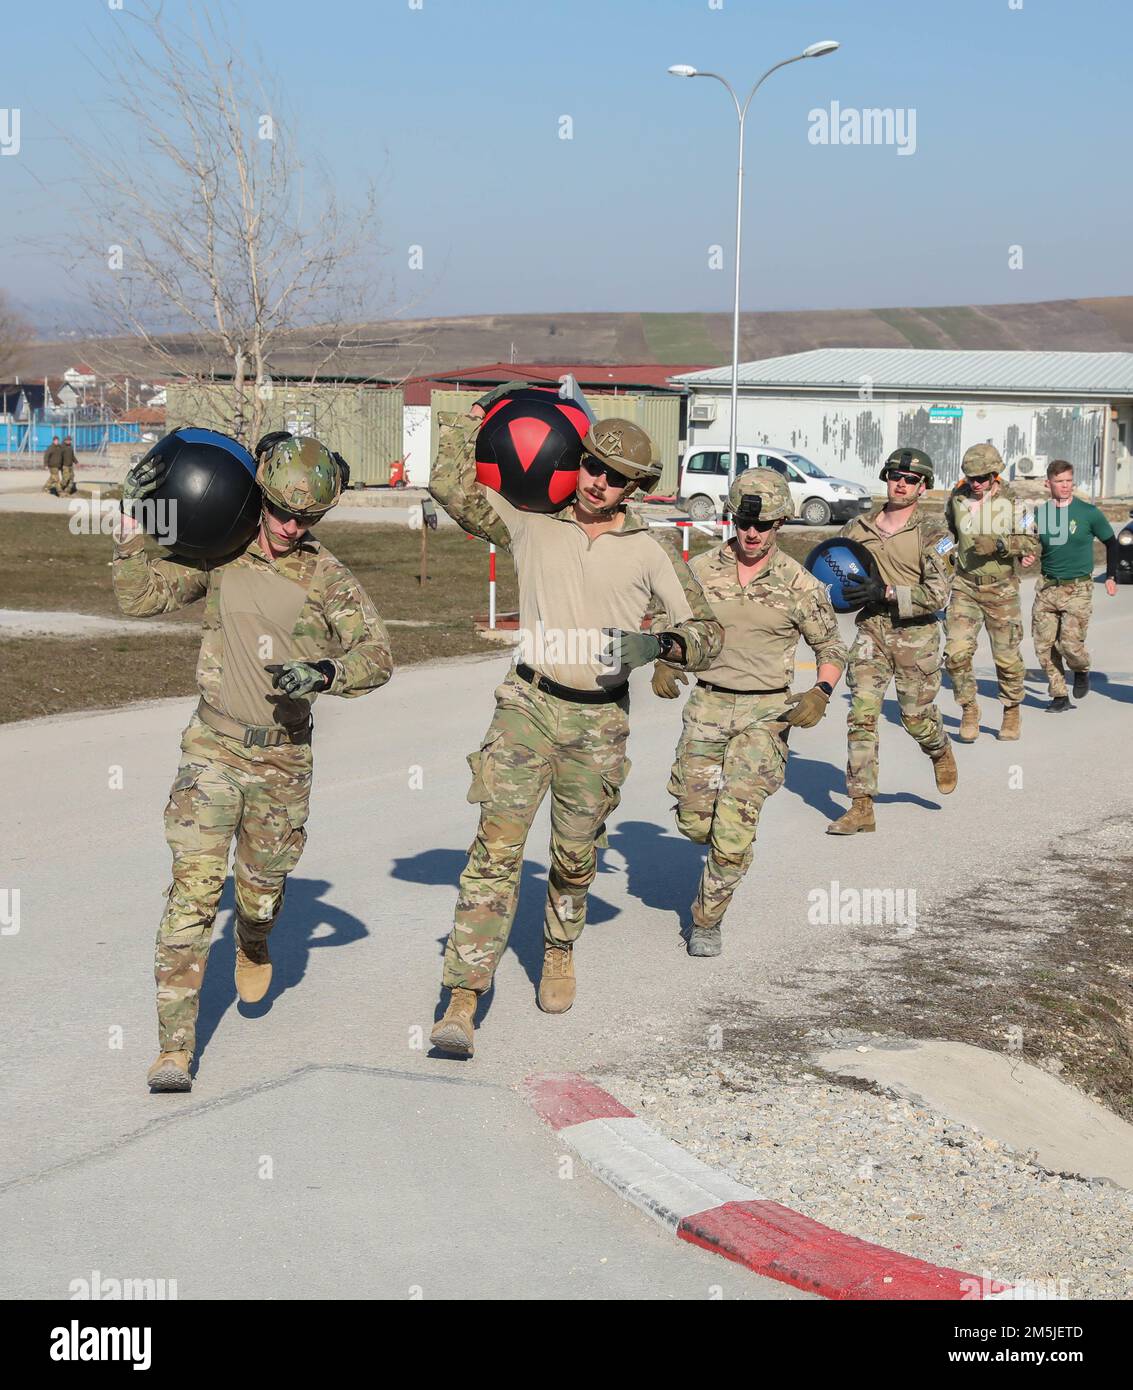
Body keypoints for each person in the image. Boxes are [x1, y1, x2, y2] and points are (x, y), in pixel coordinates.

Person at [427, 389, 723, 1057]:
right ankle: (463, 997)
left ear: (634, 488)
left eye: (614, 477)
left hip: (598, 725)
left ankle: (558, 948)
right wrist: (463, 420)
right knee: (493, 855)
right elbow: (448, 485)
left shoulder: (652, 554)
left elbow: (706, 634)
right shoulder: (530, 520)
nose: (597, 482)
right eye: (591, 465)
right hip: (526, 707)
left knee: (573, 856)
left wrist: (656, 647)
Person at [113, 433, 393, 1092]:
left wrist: (325, 671)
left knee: (260, 895)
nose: (291, 528)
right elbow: (139, 596)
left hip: (282, 764)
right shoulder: (220, 551)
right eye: (282, 511)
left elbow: (376, 655)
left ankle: (256, 938)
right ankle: (174, 1051)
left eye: (307, 519)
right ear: (258, 496)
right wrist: (129, 532)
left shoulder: (325, 576)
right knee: (191, 903)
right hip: (210, 750)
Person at [654, 468, 846, 956]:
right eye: (743, 522)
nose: (752, 533)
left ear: (780, 523)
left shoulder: (800, 584)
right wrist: (663, 657)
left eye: (763, 525)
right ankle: (717, 848)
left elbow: (831, 647)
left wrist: (820, 691)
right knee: (696, 821)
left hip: (766, 714)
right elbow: (669, 623)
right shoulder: (699, 571)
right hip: (708, 704)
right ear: (731, 519)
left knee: (734, 827)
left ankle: (707, 919)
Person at [826, 447, 958, 835]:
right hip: (872, 630)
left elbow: (938, 595)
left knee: (915, 718)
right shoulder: (857, 529)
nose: (901, 484)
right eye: (894, 476)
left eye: (911, 480)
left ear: (923, 487)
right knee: (861, 714)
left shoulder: (936, 535)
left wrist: (885, 591)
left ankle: (938, 748)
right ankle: (861, 804)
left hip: (916, 634)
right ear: (886, 478)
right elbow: (834, 574)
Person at [942, 443, 1039, 741]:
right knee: (956, 653)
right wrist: (941, 554)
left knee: (1007, 657)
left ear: (995, 474)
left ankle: (1011, 710)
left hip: (1001, 589)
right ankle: (969, 709)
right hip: (965, 586)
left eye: (983, 477)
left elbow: (1032, 543)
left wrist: (1000, 545)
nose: (977, 483)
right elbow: (947, 533)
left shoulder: (1014, 503)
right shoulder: (957, 499)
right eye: (972, 477)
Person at [1031, 459, 1119, 711]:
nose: (1065, 486)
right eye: (1060, 481)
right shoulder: (1042, 513)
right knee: (1044, 645)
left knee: (1069, 645)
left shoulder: (1088, 513)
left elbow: (1112, 543)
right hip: (1047, 587)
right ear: (1048, 484)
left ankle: (1081, 669)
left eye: (1069, 480)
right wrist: (1024, 556)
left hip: (1078, 588)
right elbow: (1030, 545)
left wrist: (1111, 576)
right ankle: (1059, 695)